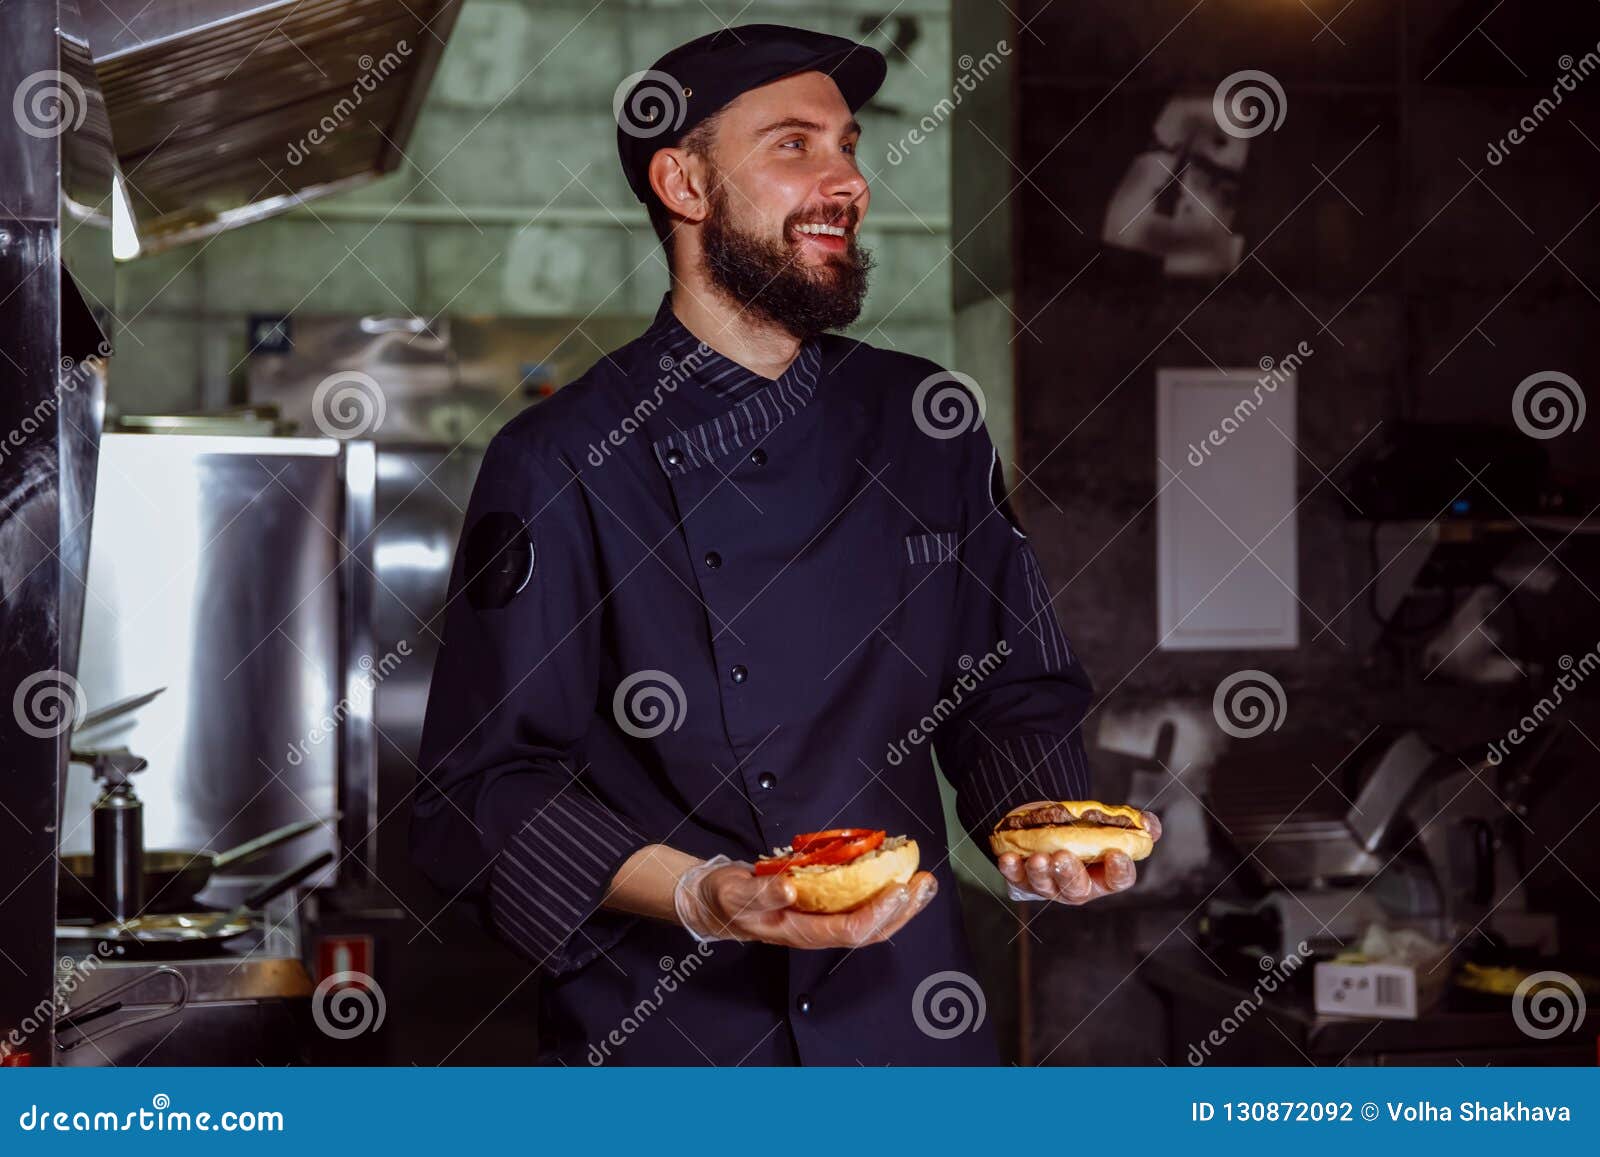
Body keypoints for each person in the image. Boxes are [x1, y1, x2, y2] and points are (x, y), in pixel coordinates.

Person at [411, 23, 1159, 1066]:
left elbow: (1010, 685)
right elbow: (481, 788)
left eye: (849, 146)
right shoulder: (563, 456)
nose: (846, 179)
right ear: (683, 184)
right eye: (794, 145)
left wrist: (1034, 818)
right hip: (668, 1038)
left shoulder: (921, 421)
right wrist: (703, 894)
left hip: (908, 1021)